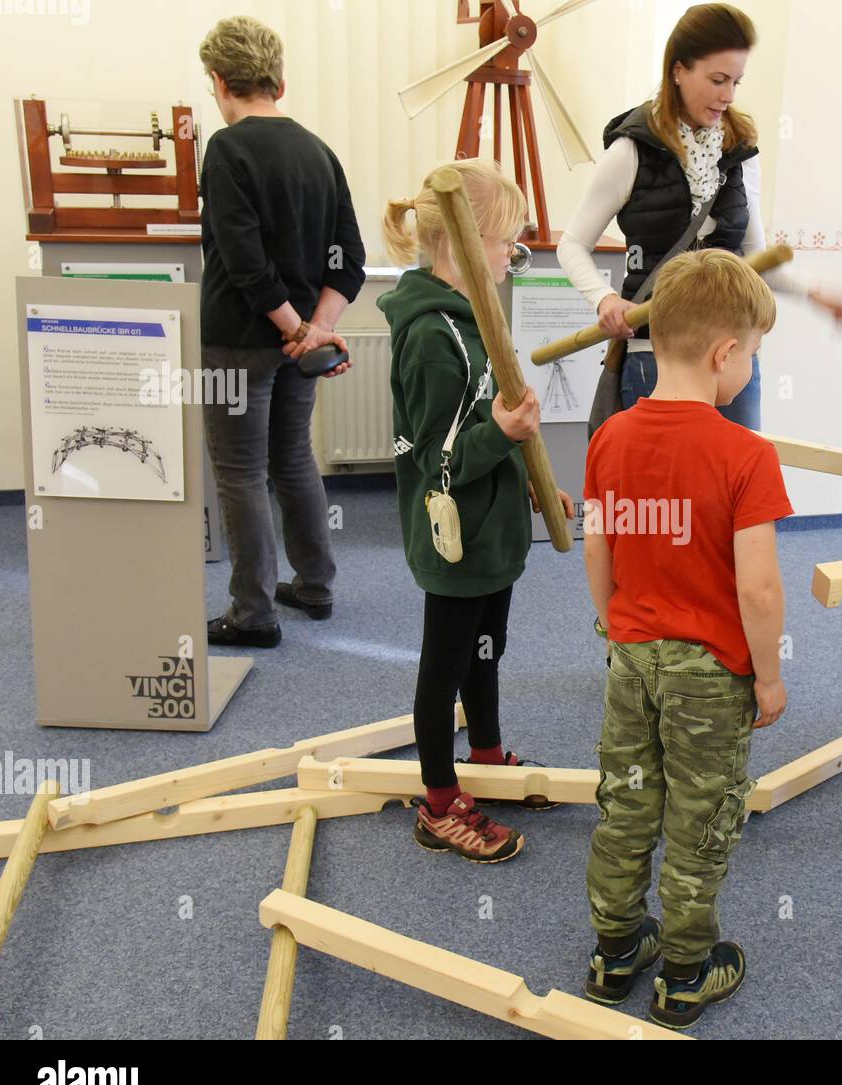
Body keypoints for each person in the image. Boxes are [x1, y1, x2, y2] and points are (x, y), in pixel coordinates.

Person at [581, 249, 792, 1029]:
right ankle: (686, 968)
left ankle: (612, 950)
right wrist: (767, 677)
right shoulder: (746, 453)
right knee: (702, 816)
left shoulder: (609, 439)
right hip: (710, 674)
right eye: (754, 356)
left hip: (631, 658)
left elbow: (598, 549)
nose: (750, 372)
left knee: (627, 804)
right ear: (724, 353)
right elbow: (759, 588)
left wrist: (615, 625)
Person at [380, 159, 573, 864]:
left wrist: (534, 481)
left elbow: (495, 419)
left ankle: (485, 759)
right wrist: (508, 436)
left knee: (487, 653)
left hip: (496, 530)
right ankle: (437, 800)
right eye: (504, 244)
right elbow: (438, 464)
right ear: (461, 243)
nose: (511, 258)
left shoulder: (479, 321)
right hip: (454, 537)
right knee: (445, 666)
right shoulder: (433, 338)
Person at [558, 2, 842, 431]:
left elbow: (755, 263)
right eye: (717, 80)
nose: (728, 95)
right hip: (656, 355)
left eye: (736, 82)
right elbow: (573, 244)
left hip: (732, 355)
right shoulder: (631, 150)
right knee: (658, 490)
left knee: (734, 484)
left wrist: (812, 292)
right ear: (678, 70)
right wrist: (604, 299)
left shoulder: (741, 154)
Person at [199, 15, 364, 648]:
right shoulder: (318, 151)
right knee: (293, 458)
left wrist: (297, 329)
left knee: (240, 472)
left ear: (220, 82)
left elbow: (243, 263)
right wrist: (315, 331)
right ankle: (314, 585)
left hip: (238, 341)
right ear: (281, 82)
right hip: (298, 348)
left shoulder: (227, 148)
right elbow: (348, 256)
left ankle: (253, 613)